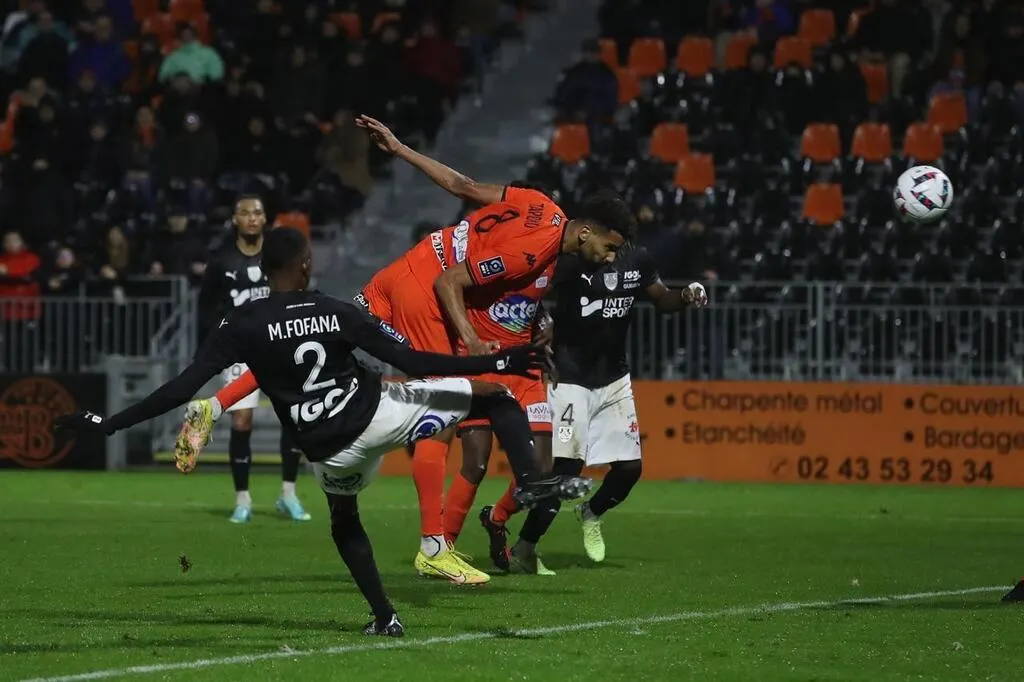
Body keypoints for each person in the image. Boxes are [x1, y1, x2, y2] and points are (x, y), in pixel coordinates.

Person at [55, 227, 590, 636]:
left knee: (343, 519)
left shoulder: (243, 325)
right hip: (378, 415)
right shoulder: (333, 312)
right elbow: (412, 360)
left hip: (328, 453)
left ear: (265, 270)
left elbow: (178, 387)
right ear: (305, 266)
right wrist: (504, 359)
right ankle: (530, 482)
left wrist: (108, 424)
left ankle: (384, 617)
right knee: (493, 395)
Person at [198, 115, 636, 582]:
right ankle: (434, 545)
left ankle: (214, 403)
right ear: (587, 232)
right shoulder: (537, 248)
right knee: (440, 409)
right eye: (611, 247)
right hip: (426, 292)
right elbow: (451, 281)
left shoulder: (540, 205)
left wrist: (401, 148)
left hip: (404, 271)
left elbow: (461, 184)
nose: (611, 259)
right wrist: (469, 339)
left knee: (326, 342)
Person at [479, 246, 708, 571]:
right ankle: (524, 548)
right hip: (569, 379)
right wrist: (543, 320)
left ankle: (591, 512)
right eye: (608, 244)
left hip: (614, 378)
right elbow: (529, 292)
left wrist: (684, 295)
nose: (611, 253)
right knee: (563, 470)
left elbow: (662, 299)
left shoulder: (639, 259)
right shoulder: (569, 262)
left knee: (630, 469)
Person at [197, 195, 308, 524]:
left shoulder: (276, 257)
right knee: (241, 422)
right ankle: (242, 500)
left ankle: (288, 494)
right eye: (245, 213)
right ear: (235, 219)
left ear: (264, 218)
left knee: (292, 417)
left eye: (257, 212)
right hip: (242, 352)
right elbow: (206, 307)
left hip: (279, 346)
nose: (252, 218)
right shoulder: (221, 261)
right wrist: (218, 340)